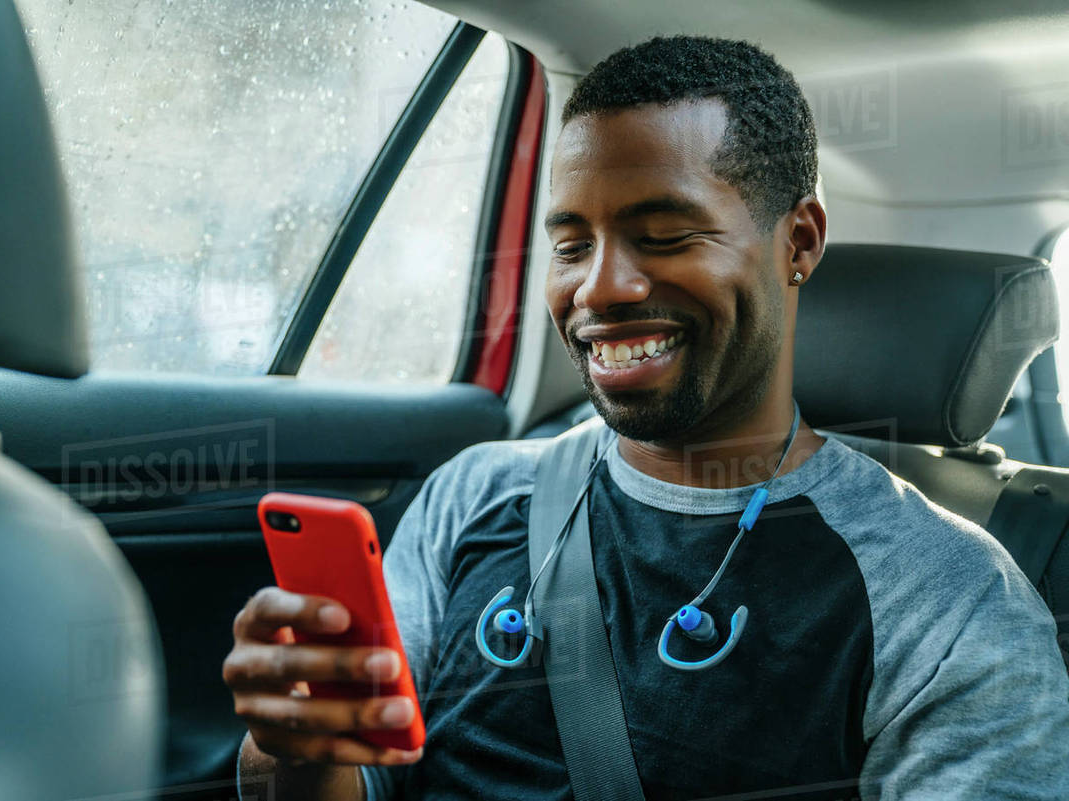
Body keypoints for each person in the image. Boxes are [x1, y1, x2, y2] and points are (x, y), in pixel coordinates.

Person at [224, 35, 1069, 800]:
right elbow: (349, 786)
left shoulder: (947, 600)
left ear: (800, 242)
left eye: (664, 235)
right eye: (570, 245)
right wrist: (298, 746)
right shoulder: (475, 493)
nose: (600, 288)